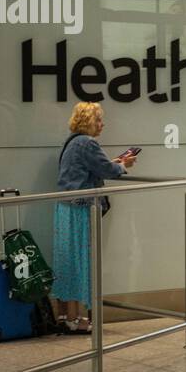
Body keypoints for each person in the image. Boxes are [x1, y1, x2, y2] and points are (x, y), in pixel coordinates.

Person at [52, 102, 136, 334]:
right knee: (80, 261)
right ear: (89, 121)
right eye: (99, 120)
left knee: (67, 261)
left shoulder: (71, 141)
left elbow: (94, 167)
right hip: (81, 208)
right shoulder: (87, 143)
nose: (102, 124)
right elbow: (106, 170)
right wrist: (123, 166)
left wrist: (114, 163)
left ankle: (64, 314)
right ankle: (76, 318)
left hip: (65, 207)